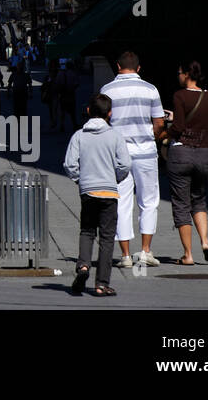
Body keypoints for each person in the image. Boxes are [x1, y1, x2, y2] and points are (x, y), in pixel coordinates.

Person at [101, 51, 166, 269]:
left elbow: (104, 122)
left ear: (117, 66)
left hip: (118, 155)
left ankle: (126, 255)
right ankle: (146, 251)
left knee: (122, 202)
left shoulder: (107, 90)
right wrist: (152, 138)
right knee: (148, 201)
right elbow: (159, 123)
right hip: (146, 152)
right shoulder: (150, 89)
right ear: (138, 68)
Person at [64, 93, 132, 296]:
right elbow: (126, 164)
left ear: (87, 111)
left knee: (87, 231)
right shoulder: (115, 136)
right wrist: (116, 178)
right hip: (109, 192)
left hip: (88, 191)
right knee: (107, 238)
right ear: (109, 114)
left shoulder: (79, 135)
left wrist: (80, 179)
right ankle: (102, 284)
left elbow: (69, 164)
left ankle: (83, 266)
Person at [167, 60, 208, 264]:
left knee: (181, 203)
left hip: (182, 153)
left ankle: (188, 254)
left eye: (179, 72)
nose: (178, 76)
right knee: (199, 199)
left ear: (187, 74)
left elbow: (178, 127)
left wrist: (165, 133)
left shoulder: (180, 95)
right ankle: (205, 242)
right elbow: (200, 122)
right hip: (204, 153)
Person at [56, 59, 78, 132]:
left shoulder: (60, 73)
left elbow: (57, 84)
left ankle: (62, 125)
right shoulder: (73, 74)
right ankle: (74, 125)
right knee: (72, 111)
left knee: (62, 111)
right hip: (71, 94)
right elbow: (76, 84)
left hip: (63, 95)